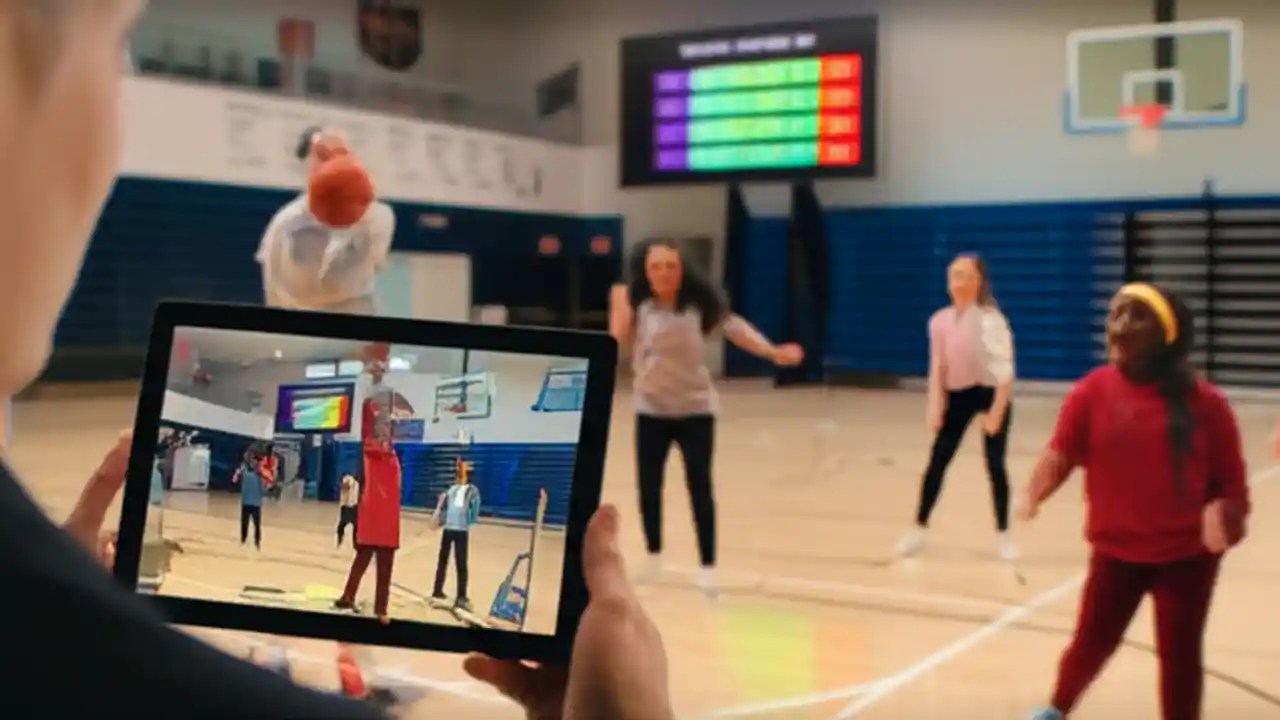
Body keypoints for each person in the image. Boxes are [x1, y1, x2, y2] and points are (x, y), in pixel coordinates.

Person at [0, 2, 673, 716]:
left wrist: (59, 601)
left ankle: (334, 653)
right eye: (119, 49)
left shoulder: (372, 224)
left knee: (362, 577)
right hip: (317, 341)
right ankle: (287, 651)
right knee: (339, 572)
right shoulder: (286, 235)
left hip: (351, 350)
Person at [1020, 283, 1250, 720]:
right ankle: (1055, 709)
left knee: (1179, 655)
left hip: (1186, 557)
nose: (1121, 326)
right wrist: (1037, 489)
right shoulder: (1090, 392)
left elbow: (1233, 486)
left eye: (1136, 316)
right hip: (1115, 551)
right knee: (1092, 640)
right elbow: (1063, 450)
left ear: (1168, 333)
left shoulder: (1208, 405)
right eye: (1115, 314)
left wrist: (1227, 518)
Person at [609, 238, 804, 597]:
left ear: (682, 271)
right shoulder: (640, 308)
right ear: (646, 273)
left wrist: (773, 352)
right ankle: (653, 557)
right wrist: (618, 305)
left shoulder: (700, 308)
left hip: (695, 411)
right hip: (651, 410)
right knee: (649, 487)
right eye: (656, 267)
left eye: (671, 266)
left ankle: (707, 566)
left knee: (700, 487)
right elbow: (615, 340)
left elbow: (737, 330)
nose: (664, 273)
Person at [895, 254, 1018, 561]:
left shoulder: (992, 319)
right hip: (958, 396)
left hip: (990, 394)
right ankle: (918, 528)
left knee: (995, 465)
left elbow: (1005, 368)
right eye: (952, 275)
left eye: (963, 274)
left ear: (978, 280)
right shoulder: (939, 321)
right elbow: (937, 366)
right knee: (937, 462)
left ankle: (1003, 534)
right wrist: (935, 405)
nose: (956, 281)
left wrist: (997, 411)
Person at [255, 126, 396, 314]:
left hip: (356, 322)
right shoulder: (286, 223)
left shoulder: (377, 217)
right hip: (303, 323)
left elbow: (374, 261)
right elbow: (273, 286)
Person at [335, 348, 403, 624]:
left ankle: (381, 608)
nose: (384, 426)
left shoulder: (392, 461)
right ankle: (349, 596)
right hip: (372, 508)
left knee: (384, 561)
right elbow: (368, 414)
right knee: (363, 556)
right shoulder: (369, 449)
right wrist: (375, 378)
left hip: (386, 513)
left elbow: (381, 415)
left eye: (387, 424)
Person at [431, 457, 482, 611]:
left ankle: (461, 596)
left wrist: (470, 519)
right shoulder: (451, 489)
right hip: (449, 529)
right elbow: (445, 508)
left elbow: (475, 506)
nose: (459, 472)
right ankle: (437, 590)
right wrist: (440, 518)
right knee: (443, 561)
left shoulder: (471, 490)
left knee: (461, 564)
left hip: (461, 530)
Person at [231, 445, 271, 551]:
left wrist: (265, 482)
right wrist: (237, 473)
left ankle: (257, 542)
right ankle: (243, 540)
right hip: (246, 502)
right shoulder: (244, 470)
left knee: (257, 525)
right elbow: (234, 480)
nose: (252, 462)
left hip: (256, 503)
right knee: (244, 523)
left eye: (254, 460)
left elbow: (267, 486)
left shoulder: (261, 473)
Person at [336, 472, 360, 548]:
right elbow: (345, 486)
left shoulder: (356, 484)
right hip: (346, 506)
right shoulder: (348, 479)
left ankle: (355, 544)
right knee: (341, 526)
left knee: (355, 528)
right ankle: (339, 541)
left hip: (353, 506)